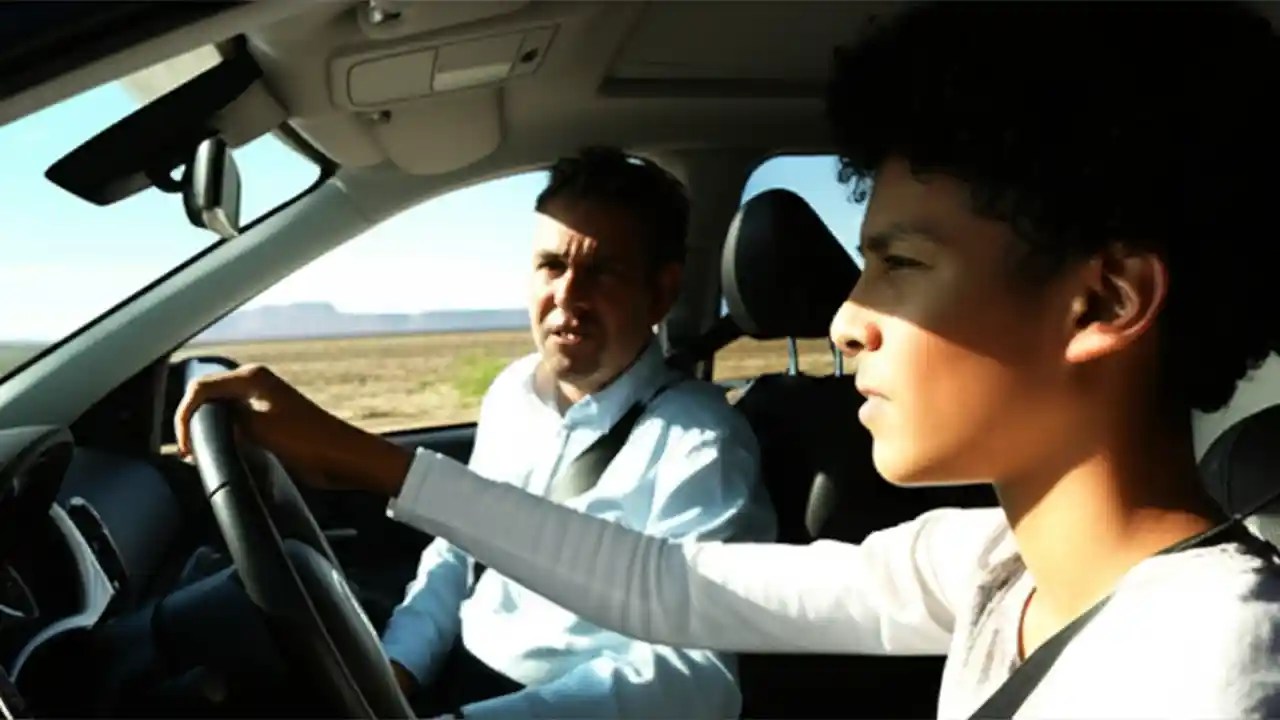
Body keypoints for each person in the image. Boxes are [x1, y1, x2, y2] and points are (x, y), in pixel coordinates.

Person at [176, 2, 1280, 717]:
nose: (846, 318)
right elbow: (667, 585)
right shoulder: (992, 564)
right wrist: (367, 463)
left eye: (896, 263)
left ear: (1103, 300)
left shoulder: (1214, 664)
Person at [175, 147, 776, 720]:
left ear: (661, 292)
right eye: (552, 265)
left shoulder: (702, 447)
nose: (568, 295)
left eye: (603, 271)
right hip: (452, 673)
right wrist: (398, 667)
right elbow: (456, 553)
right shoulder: (514, 392)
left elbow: (692, 680)